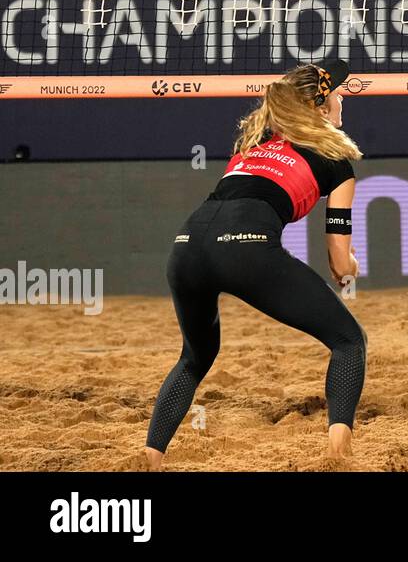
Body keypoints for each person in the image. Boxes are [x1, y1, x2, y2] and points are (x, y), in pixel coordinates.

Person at [143, 61, 365, 468]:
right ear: (319, 108)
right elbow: (339, 261)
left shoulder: (253, 143)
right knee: (349, 341)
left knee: (194, 357)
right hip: (244, 248)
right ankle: (339, 456)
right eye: (337, 94)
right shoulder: (337, 162)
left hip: (187, 244)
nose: (342, 99)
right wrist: (350, 265)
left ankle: (151, 456)